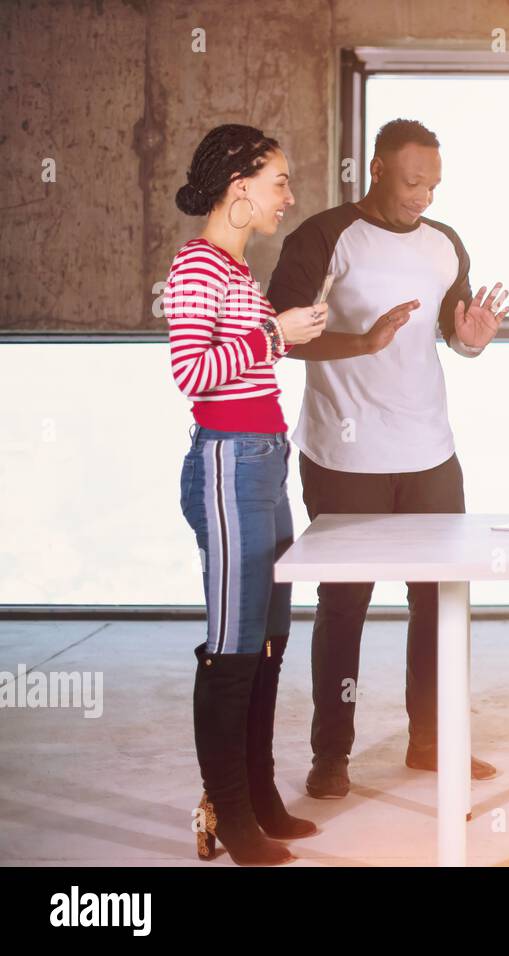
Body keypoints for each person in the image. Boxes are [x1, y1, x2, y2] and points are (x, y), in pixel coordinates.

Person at [266, 118, 509, 799]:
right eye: (412, 182)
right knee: (345, 602)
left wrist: (471, 340)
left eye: (434, 183)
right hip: (344, 453)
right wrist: (361, 343)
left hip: (430, 451)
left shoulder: (445, 244)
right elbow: (277, 334)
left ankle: (432, 742)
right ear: (375, 169)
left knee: (438, 598)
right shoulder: (322, 236)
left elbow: (451, 332)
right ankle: (331, 756)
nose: (424, 196)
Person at [166, 124, 327, 865]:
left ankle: (259, 794)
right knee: (233, 646)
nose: (287, 197)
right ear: (239, 189)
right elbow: (194, 375)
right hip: (229, 464)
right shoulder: (198, 267)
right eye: (278, 182)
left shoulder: (234, 270)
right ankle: (230, 813)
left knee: (268, 639)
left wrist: (284, 332)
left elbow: (241, 359)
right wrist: (275, 334)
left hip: (264, 462)